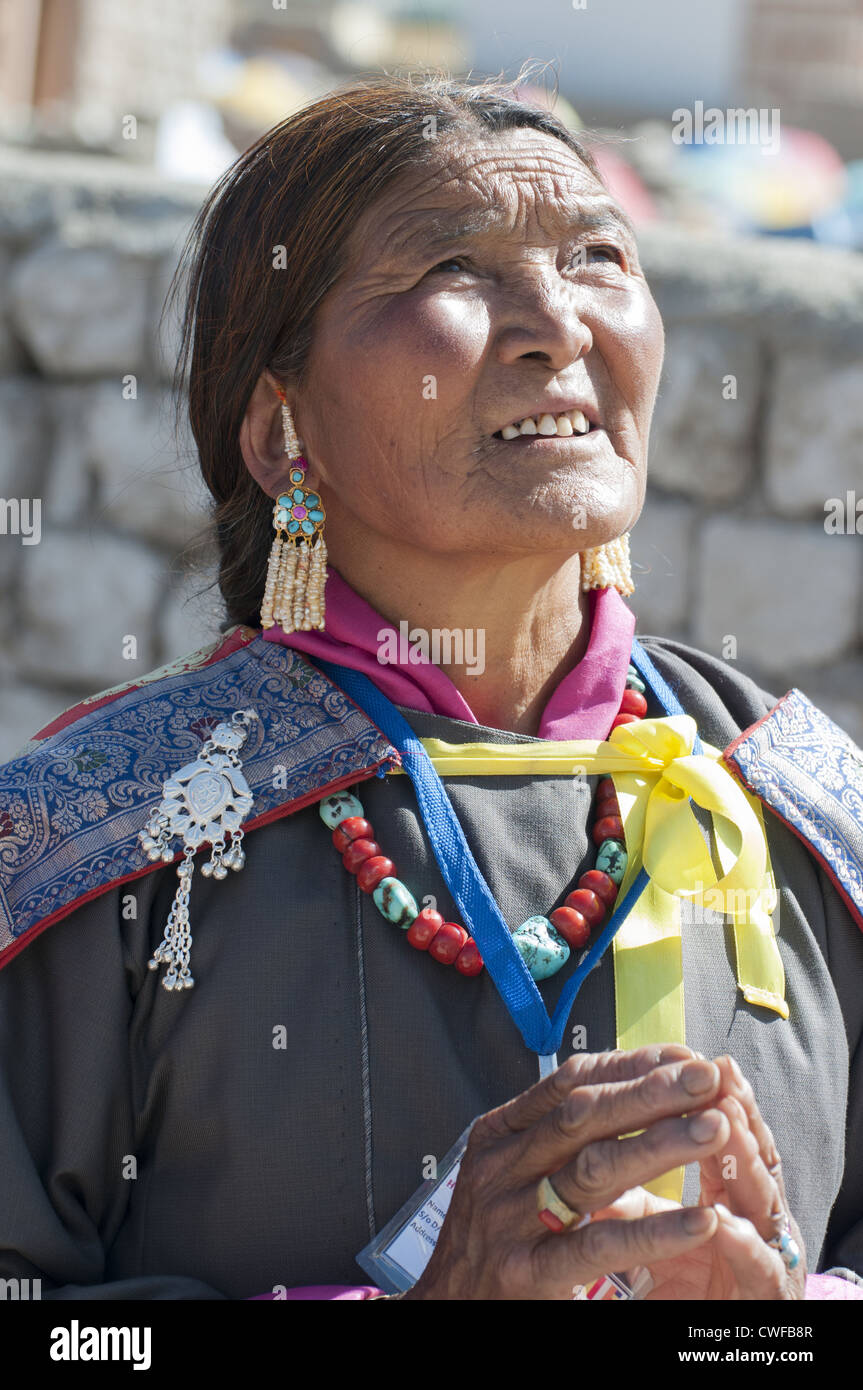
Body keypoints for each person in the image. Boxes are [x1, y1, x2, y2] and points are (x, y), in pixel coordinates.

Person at [1, 71, 862, 1303]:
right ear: (279, 429)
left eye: (596, 257)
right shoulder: (98, 845)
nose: (555, 325)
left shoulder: (800, 810)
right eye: (451, 269)